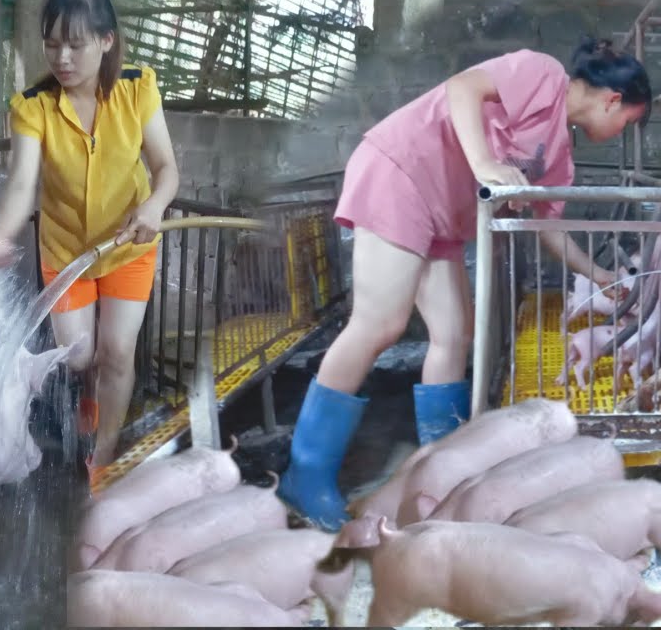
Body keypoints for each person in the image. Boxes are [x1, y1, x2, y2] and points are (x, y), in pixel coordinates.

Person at [279, 37, 654, 531]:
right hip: (401, 174)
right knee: (379, 325)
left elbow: (550, 228)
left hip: (441, 217)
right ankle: (306, 475)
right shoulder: (541, 73)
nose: (622, 130)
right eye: (628, 121)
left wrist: (599, 274)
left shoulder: (560, 154)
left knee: (456, 335)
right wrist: (485, 167)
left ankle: (440, 476)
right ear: (611, 100)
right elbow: (463, 88)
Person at [0, 0, 180, 484]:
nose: (61, 57)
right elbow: (22, 184)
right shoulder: (33, 106)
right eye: (51, 44)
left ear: (107, 41)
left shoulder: (137, 88)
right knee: (79, 354)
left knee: (116, 354)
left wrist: (155, 205)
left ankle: (102, 457)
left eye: (75, 44)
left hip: (130, 243)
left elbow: (167, 167)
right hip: (67, 249)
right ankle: (91, 393)